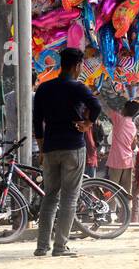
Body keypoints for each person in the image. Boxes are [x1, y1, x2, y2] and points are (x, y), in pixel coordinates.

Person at [32, 47, 102, 257]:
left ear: (62, 64)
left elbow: (37, 121)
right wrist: (88, 123)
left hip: (50, 147)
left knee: (50, 197)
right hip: (73, 146)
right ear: (77, 66)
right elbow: (96, 106)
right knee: (69, 198)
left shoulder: (44, 88)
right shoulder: (78, 87)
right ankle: (60, 246)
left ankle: (41, 246)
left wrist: (42, 148)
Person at [105, 100, 139, 196]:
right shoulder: (133, 126)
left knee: (111, 191)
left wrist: (96, 95)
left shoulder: (118, 119)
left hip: (116, 161)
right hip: (128, 161)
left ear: (124, 109)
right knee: (126, 192)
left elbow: (105, 107)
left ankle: (110, 206)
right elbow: (133, 146)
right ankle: (126, 206)